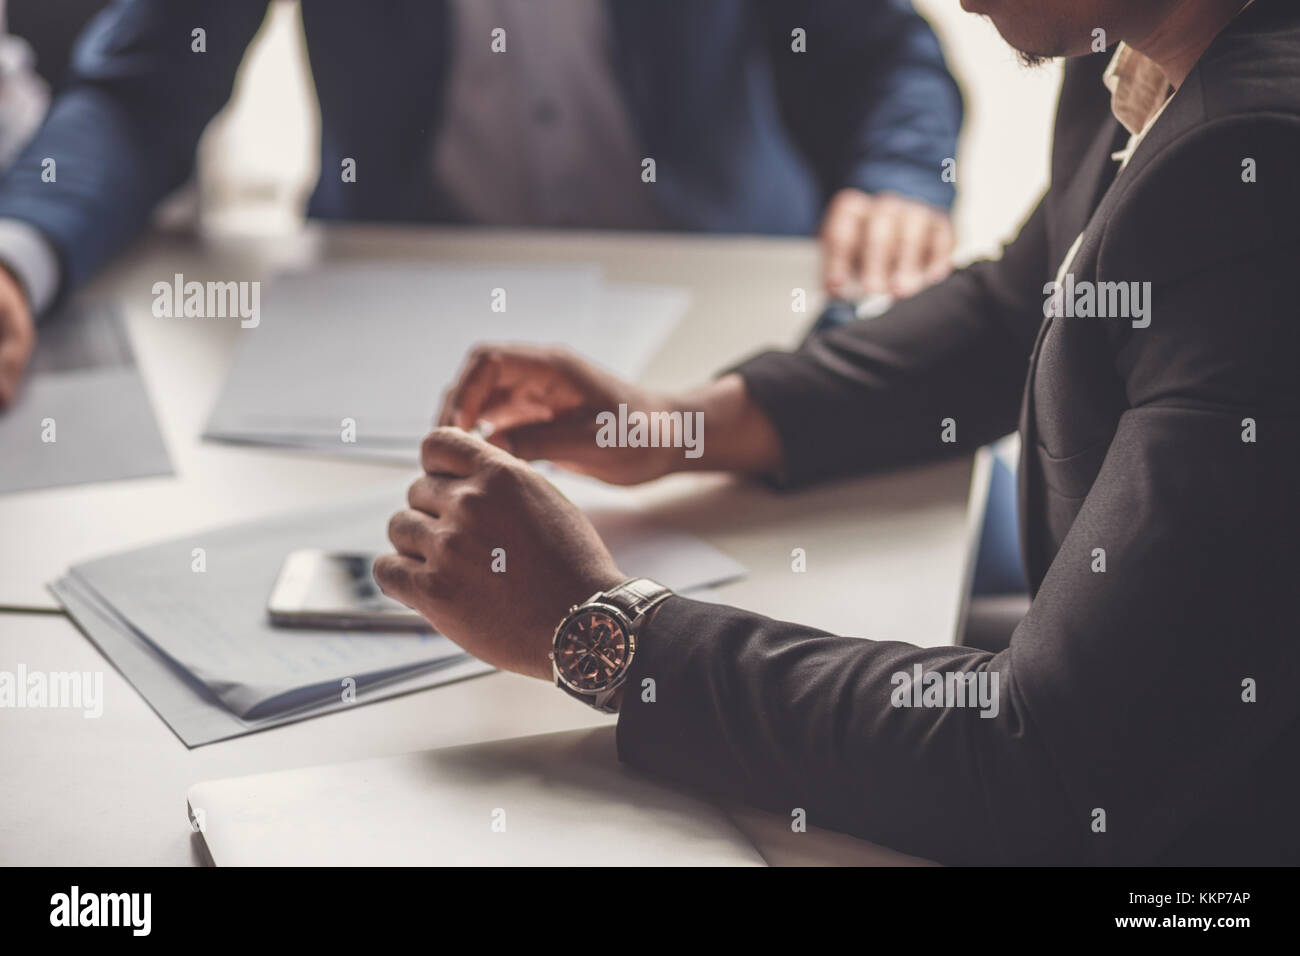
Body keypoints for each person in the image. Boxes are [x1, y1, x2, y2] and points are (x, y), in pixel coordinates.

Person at [375, 0, 1300, 865]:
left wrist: (602, 631)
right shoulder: (1139, 43)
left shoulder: (1253, 162)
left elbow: (1049, 761)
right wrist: (679, 425)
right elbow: (1013, 313)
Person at [0, 0, 962, 407]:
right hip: (391, 356)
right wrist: (19, 251)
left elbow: (885, 57)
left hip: (727, 324)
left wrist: (902, 181)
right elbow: (143, 91)